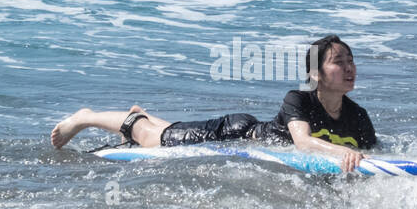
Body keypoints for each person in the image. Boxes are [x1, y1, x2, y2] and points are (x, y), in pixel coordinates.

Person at [50, 35, 376, 173]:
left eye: (351, 60)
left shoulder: (357, 115)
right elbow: (303, 143)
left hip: (244, 133)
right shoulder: (299, 99)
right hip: (232, 133)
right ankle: (86, 118)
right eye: (338, 62)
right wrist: (343, 154)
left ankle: (143, 115)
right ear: (315, 74)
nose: (349, 68)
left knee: (166, 130)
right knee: (150, 139)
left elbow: (373, 154)